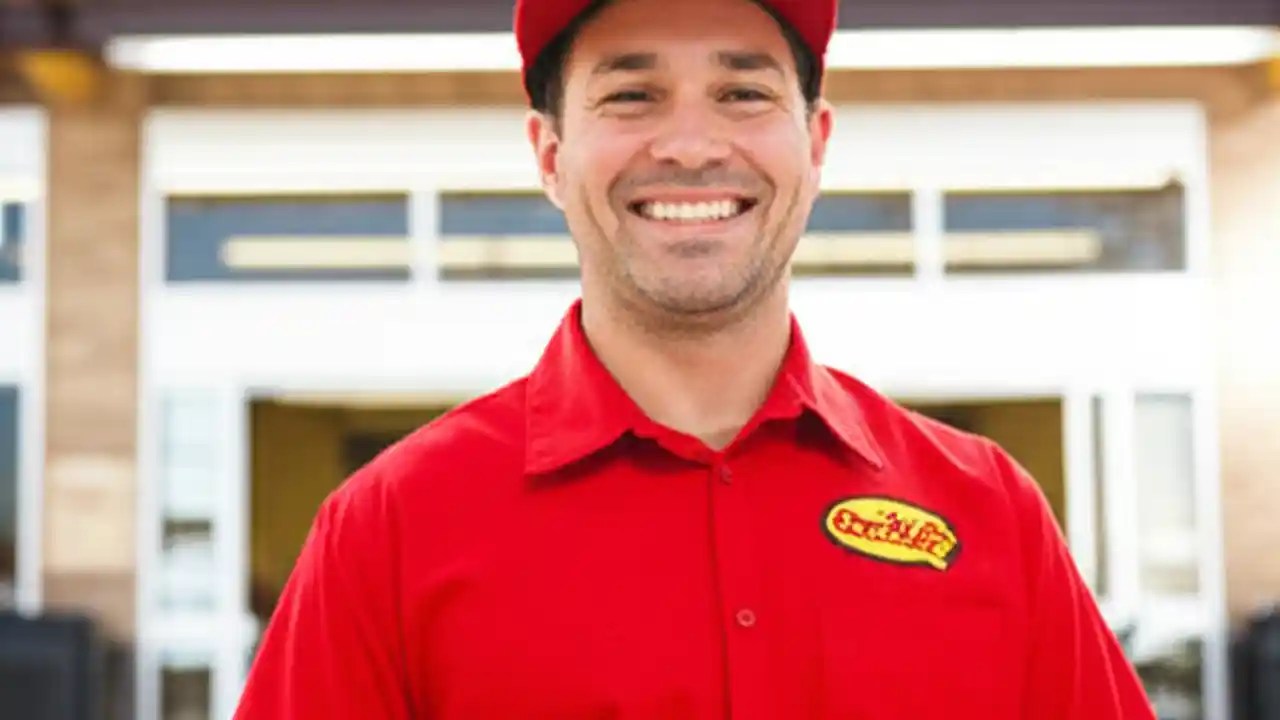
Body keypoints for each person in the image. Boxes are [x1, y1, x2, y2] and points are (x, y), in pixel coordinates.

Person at [233, 0, 1158, 717]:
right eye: (631, 95)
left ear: (816, 143)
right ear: (550, 155)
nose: (688, 145)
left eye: (743, 93)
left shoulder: (987, 512)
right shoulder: (391, 529)